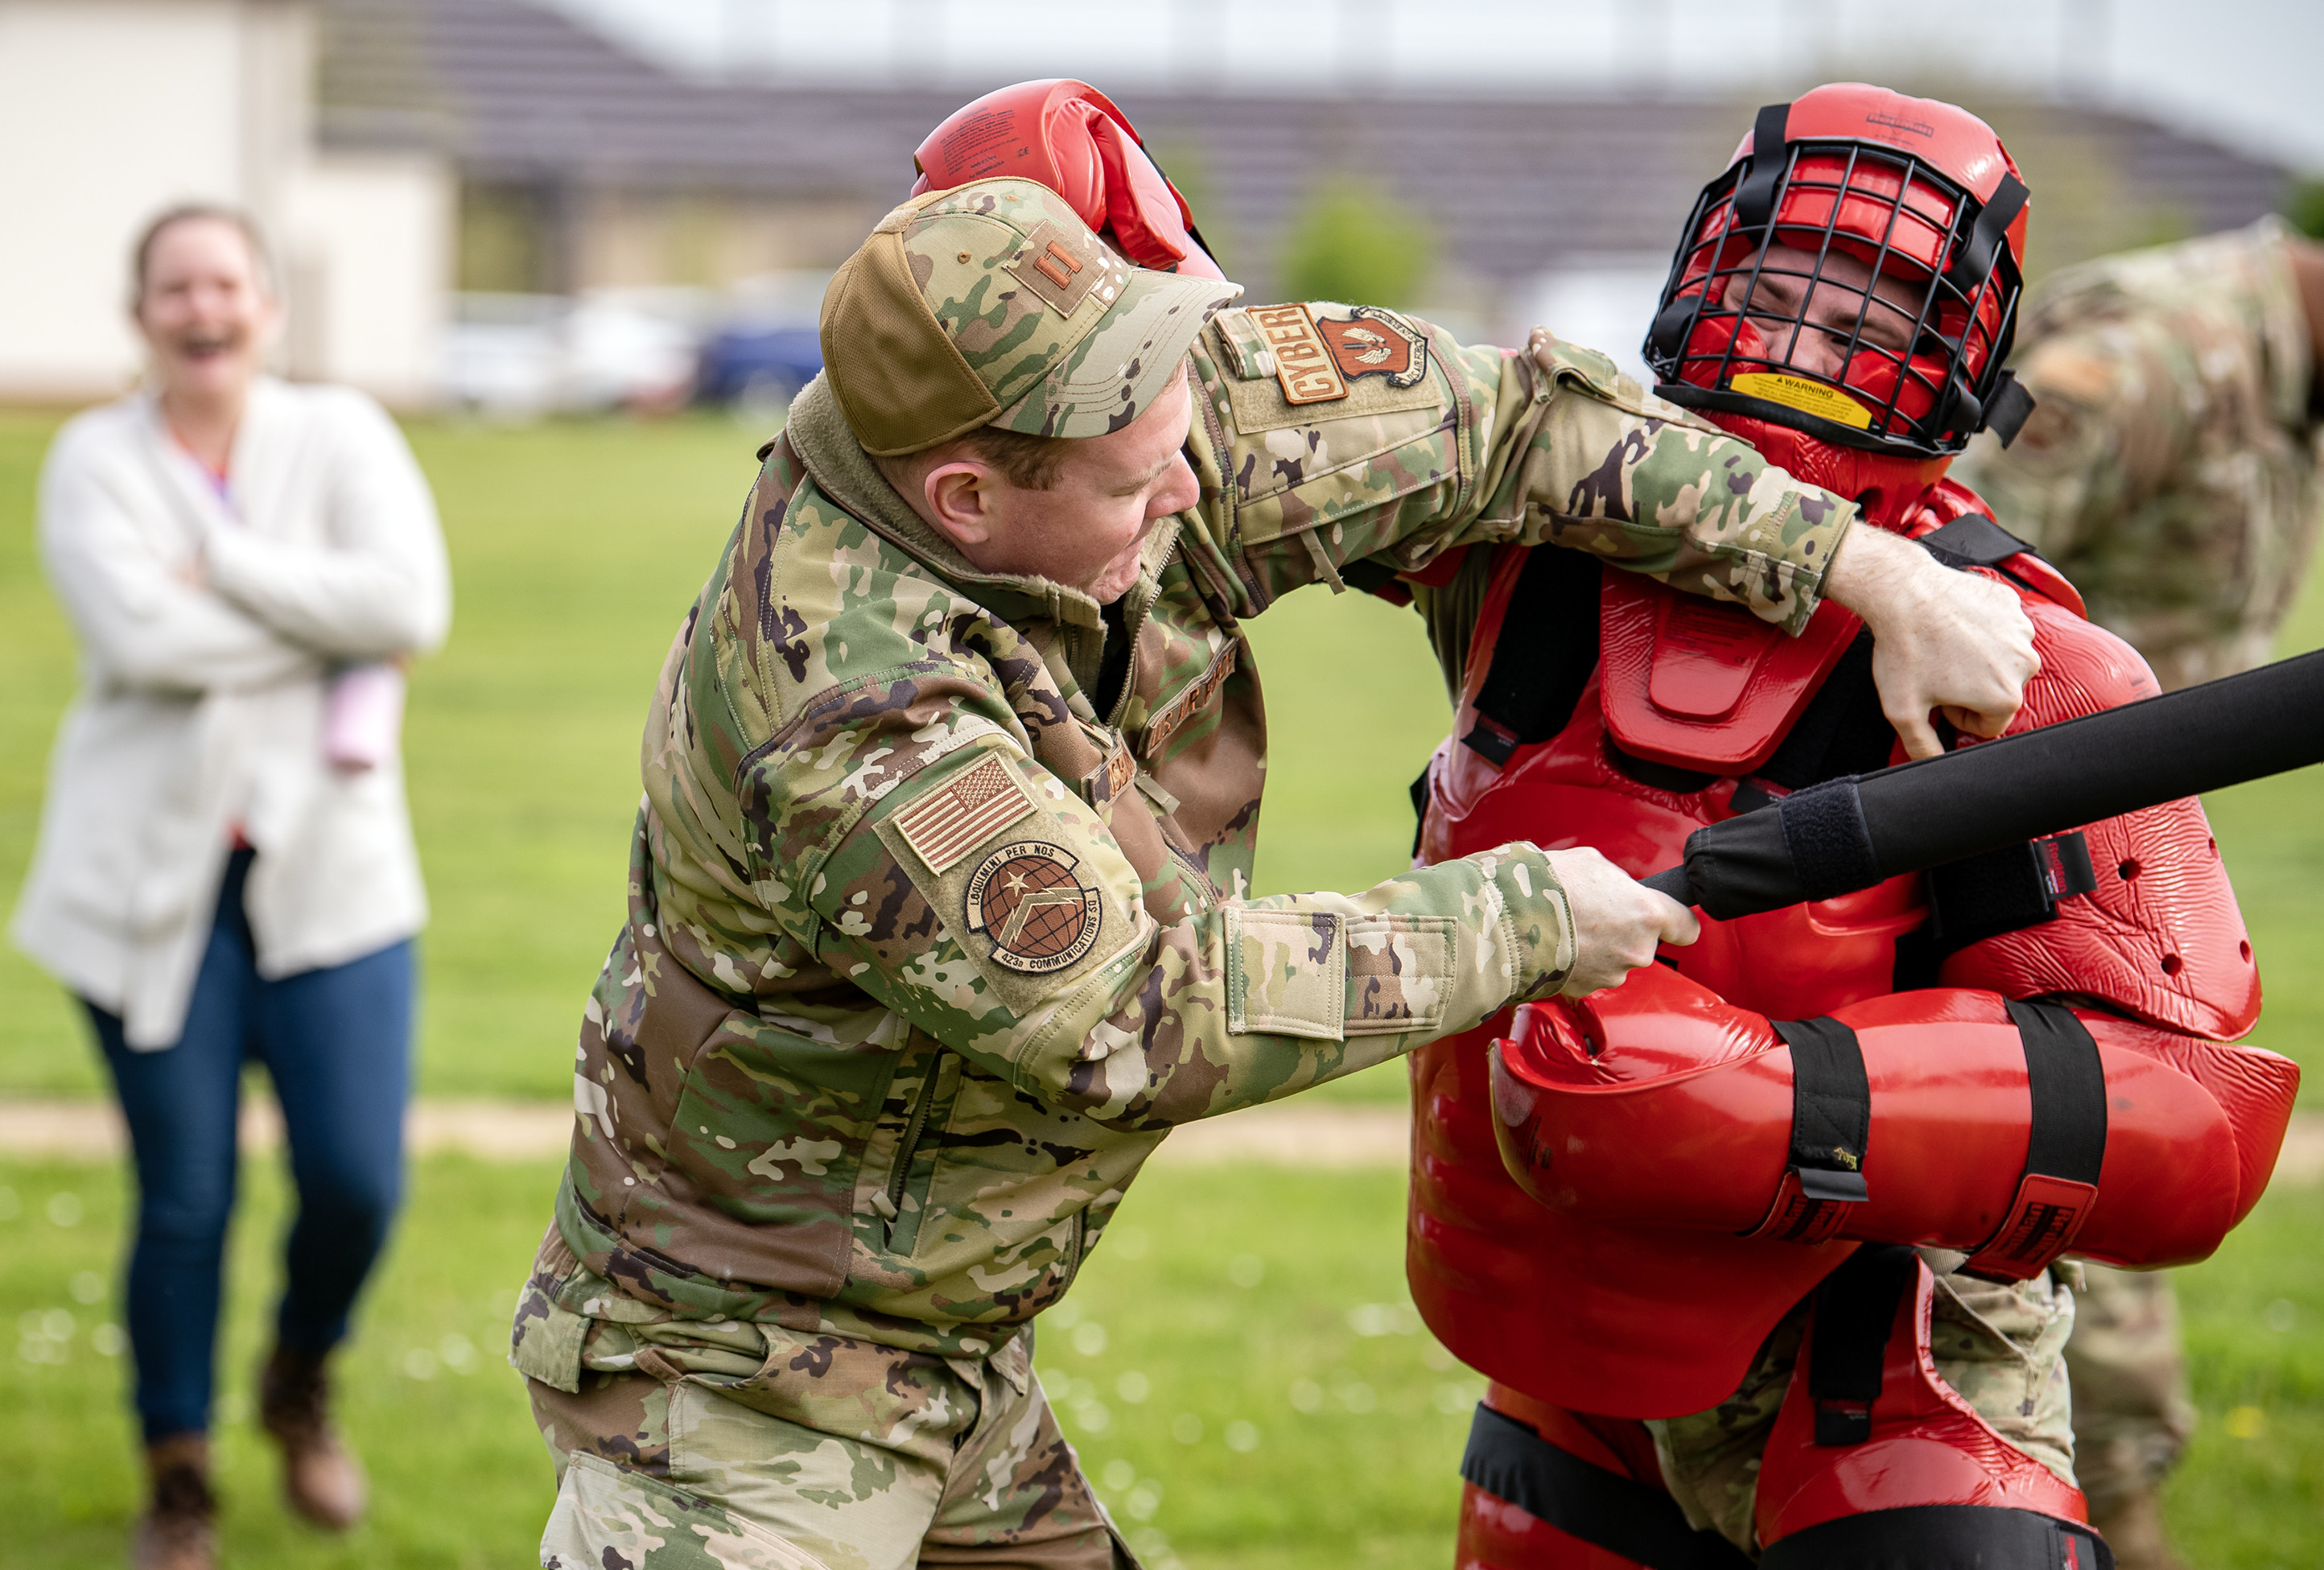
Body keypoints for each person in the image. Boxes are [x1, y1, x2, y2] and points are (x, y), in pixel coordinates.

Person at [504, 105, 2048, 1564]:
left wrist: (1864, 573)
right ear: (967, 500)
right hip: (744, 1379)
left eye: (1184, 433)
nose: (1192, 490)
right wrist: (1525, 920)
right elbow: (1136, 1012)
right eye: (1136, 485)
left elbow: (1512, 427)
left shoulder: (1125, 393)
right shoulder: (852, 709)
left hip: (950, 1349)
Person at [1404, 84, 2297, 1569]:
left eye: (1864, 322)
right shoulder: (1518, 548)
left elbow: (2202, 1120)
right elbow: (1274, 456)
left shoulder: (2032, 669)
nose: (1799, 355)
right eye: (1772, 299)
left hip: (1890, 1380)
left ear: (1956, 362)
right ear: (1699, 285)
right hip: (1564, 1366)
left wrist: (1776, 1107)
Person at [11, 205, 451, 1570]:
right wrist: (329, 625)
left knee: (356, 1184)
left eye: (224, 283)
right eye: (174, 288)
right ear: (139, 313)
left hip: (333, 883)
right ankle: (179, 1479)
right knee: (185, 1199)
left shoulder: (343, 436)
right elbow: (141, 642)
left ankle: (299, 1375)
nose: (202, 309)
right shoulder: (95, 459)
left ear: (267, 306)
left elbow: (412, 610)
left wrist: (229, 568)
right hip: (145, 891)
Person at [1948, 212, 2324, 1569]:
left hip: (2117, 856)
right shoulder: (2161, 355)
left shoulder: (2274, 372)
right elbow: (1941, 547)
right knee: (2060, 1218)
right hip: (2019, 863)